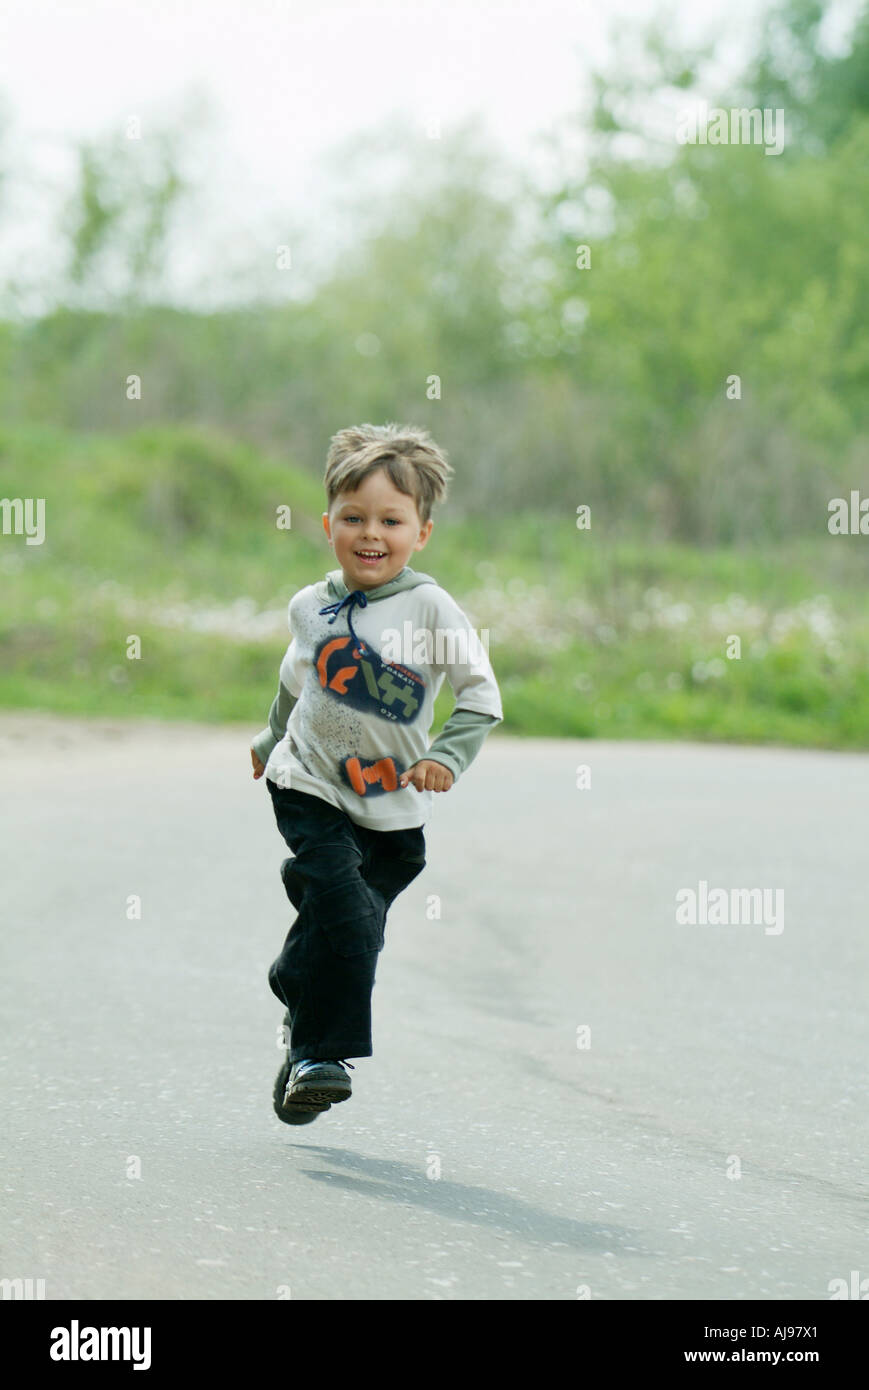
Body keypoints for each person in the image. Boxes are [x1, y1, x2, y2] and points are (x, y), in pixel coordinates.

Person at [250, 422, 503, 1125]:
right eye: (354, 519)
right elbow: (293, 685)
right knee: (348, 921)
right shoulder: (310, 606)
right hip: (307, 783)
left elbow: (480, 695)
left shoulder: (430, 608)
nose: (370, 534)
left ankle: (293, 977)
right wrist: (268, 740)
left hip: (390, 808)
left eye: (390, 520)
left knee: (348, 928)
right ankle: (319, 1060)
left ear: (421, 531)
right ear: (328, 524)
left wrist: (442, 757)